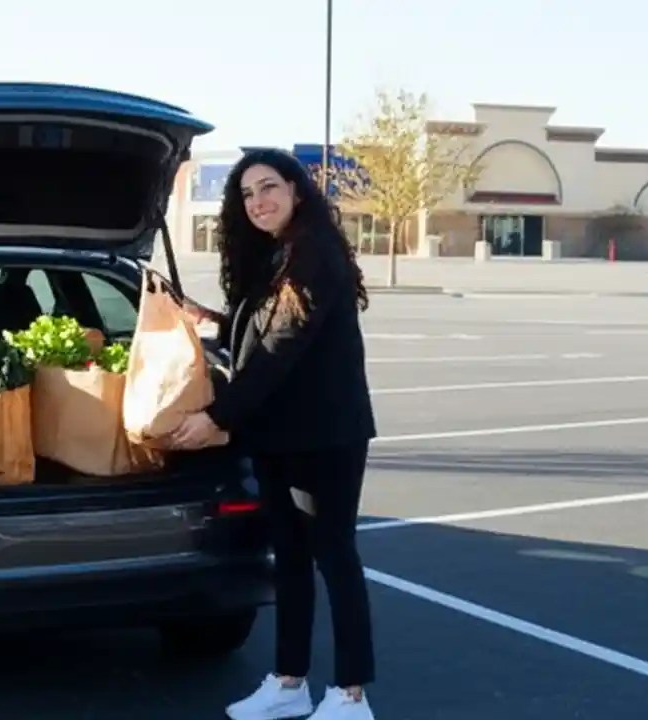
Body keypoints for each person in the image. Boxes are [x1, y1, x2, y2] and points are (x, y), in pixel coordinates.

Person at [168, 148, 378, 720]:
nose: (257, 202)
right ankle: (289, 684)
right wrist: (208, 320)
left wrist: (217, 418)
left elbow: (280, 350)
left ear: (296, 190)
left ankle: (351, 695)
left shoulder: (314, 255)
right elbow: (259, 335)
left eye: (268, 188)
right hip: (279, 435)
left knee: (334, 555)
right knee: (289, 558)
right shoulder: (275, 256)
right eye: (246, 194)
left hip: (326, 437)